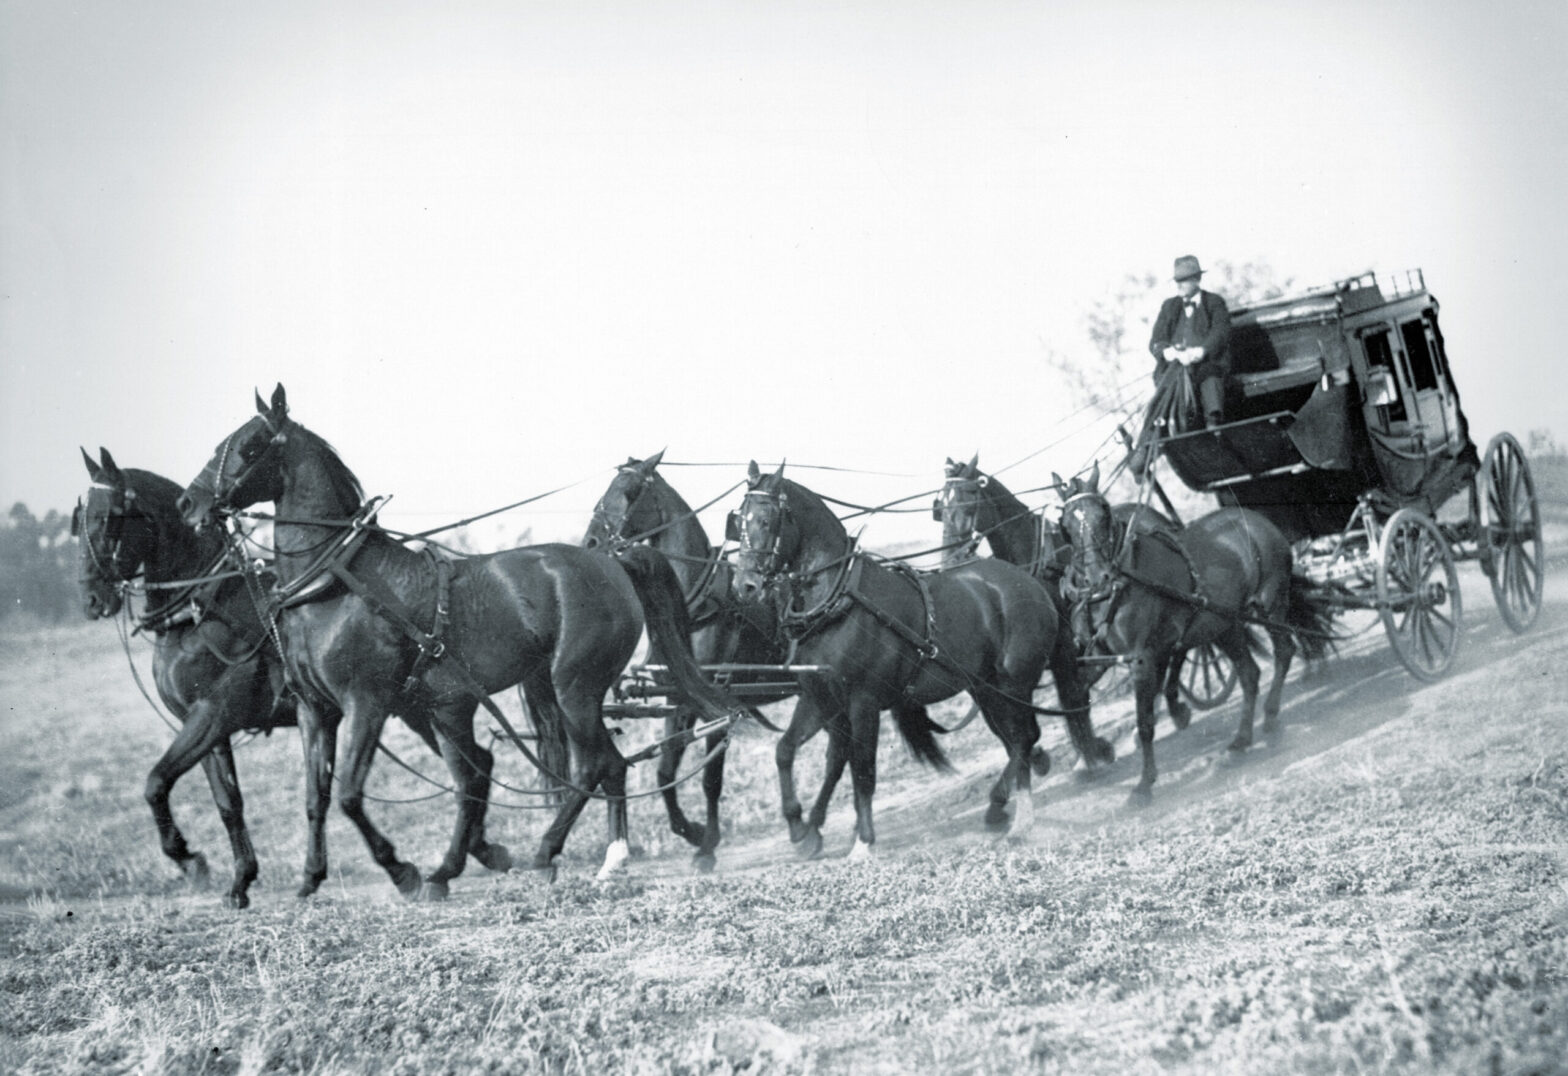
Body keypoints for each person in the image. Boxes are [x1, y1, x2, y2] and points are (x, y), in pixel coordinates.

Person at [1148, 254, 1230, 429]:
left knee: (1210, 377)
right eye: (1177, 280)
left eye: (1184, 280)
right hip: (1175, 369)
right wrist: (1165, 351)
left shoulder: (1214, 302)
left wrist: (1201, 351)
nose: (1179, 284)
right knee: (1159, 400)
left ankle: (1213, 423)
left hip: (1206, 365)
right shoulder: (1169, 306)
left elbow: (1220, 332)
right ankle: (1146, 442)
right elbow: (1156, 339)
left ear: (1197, 279)